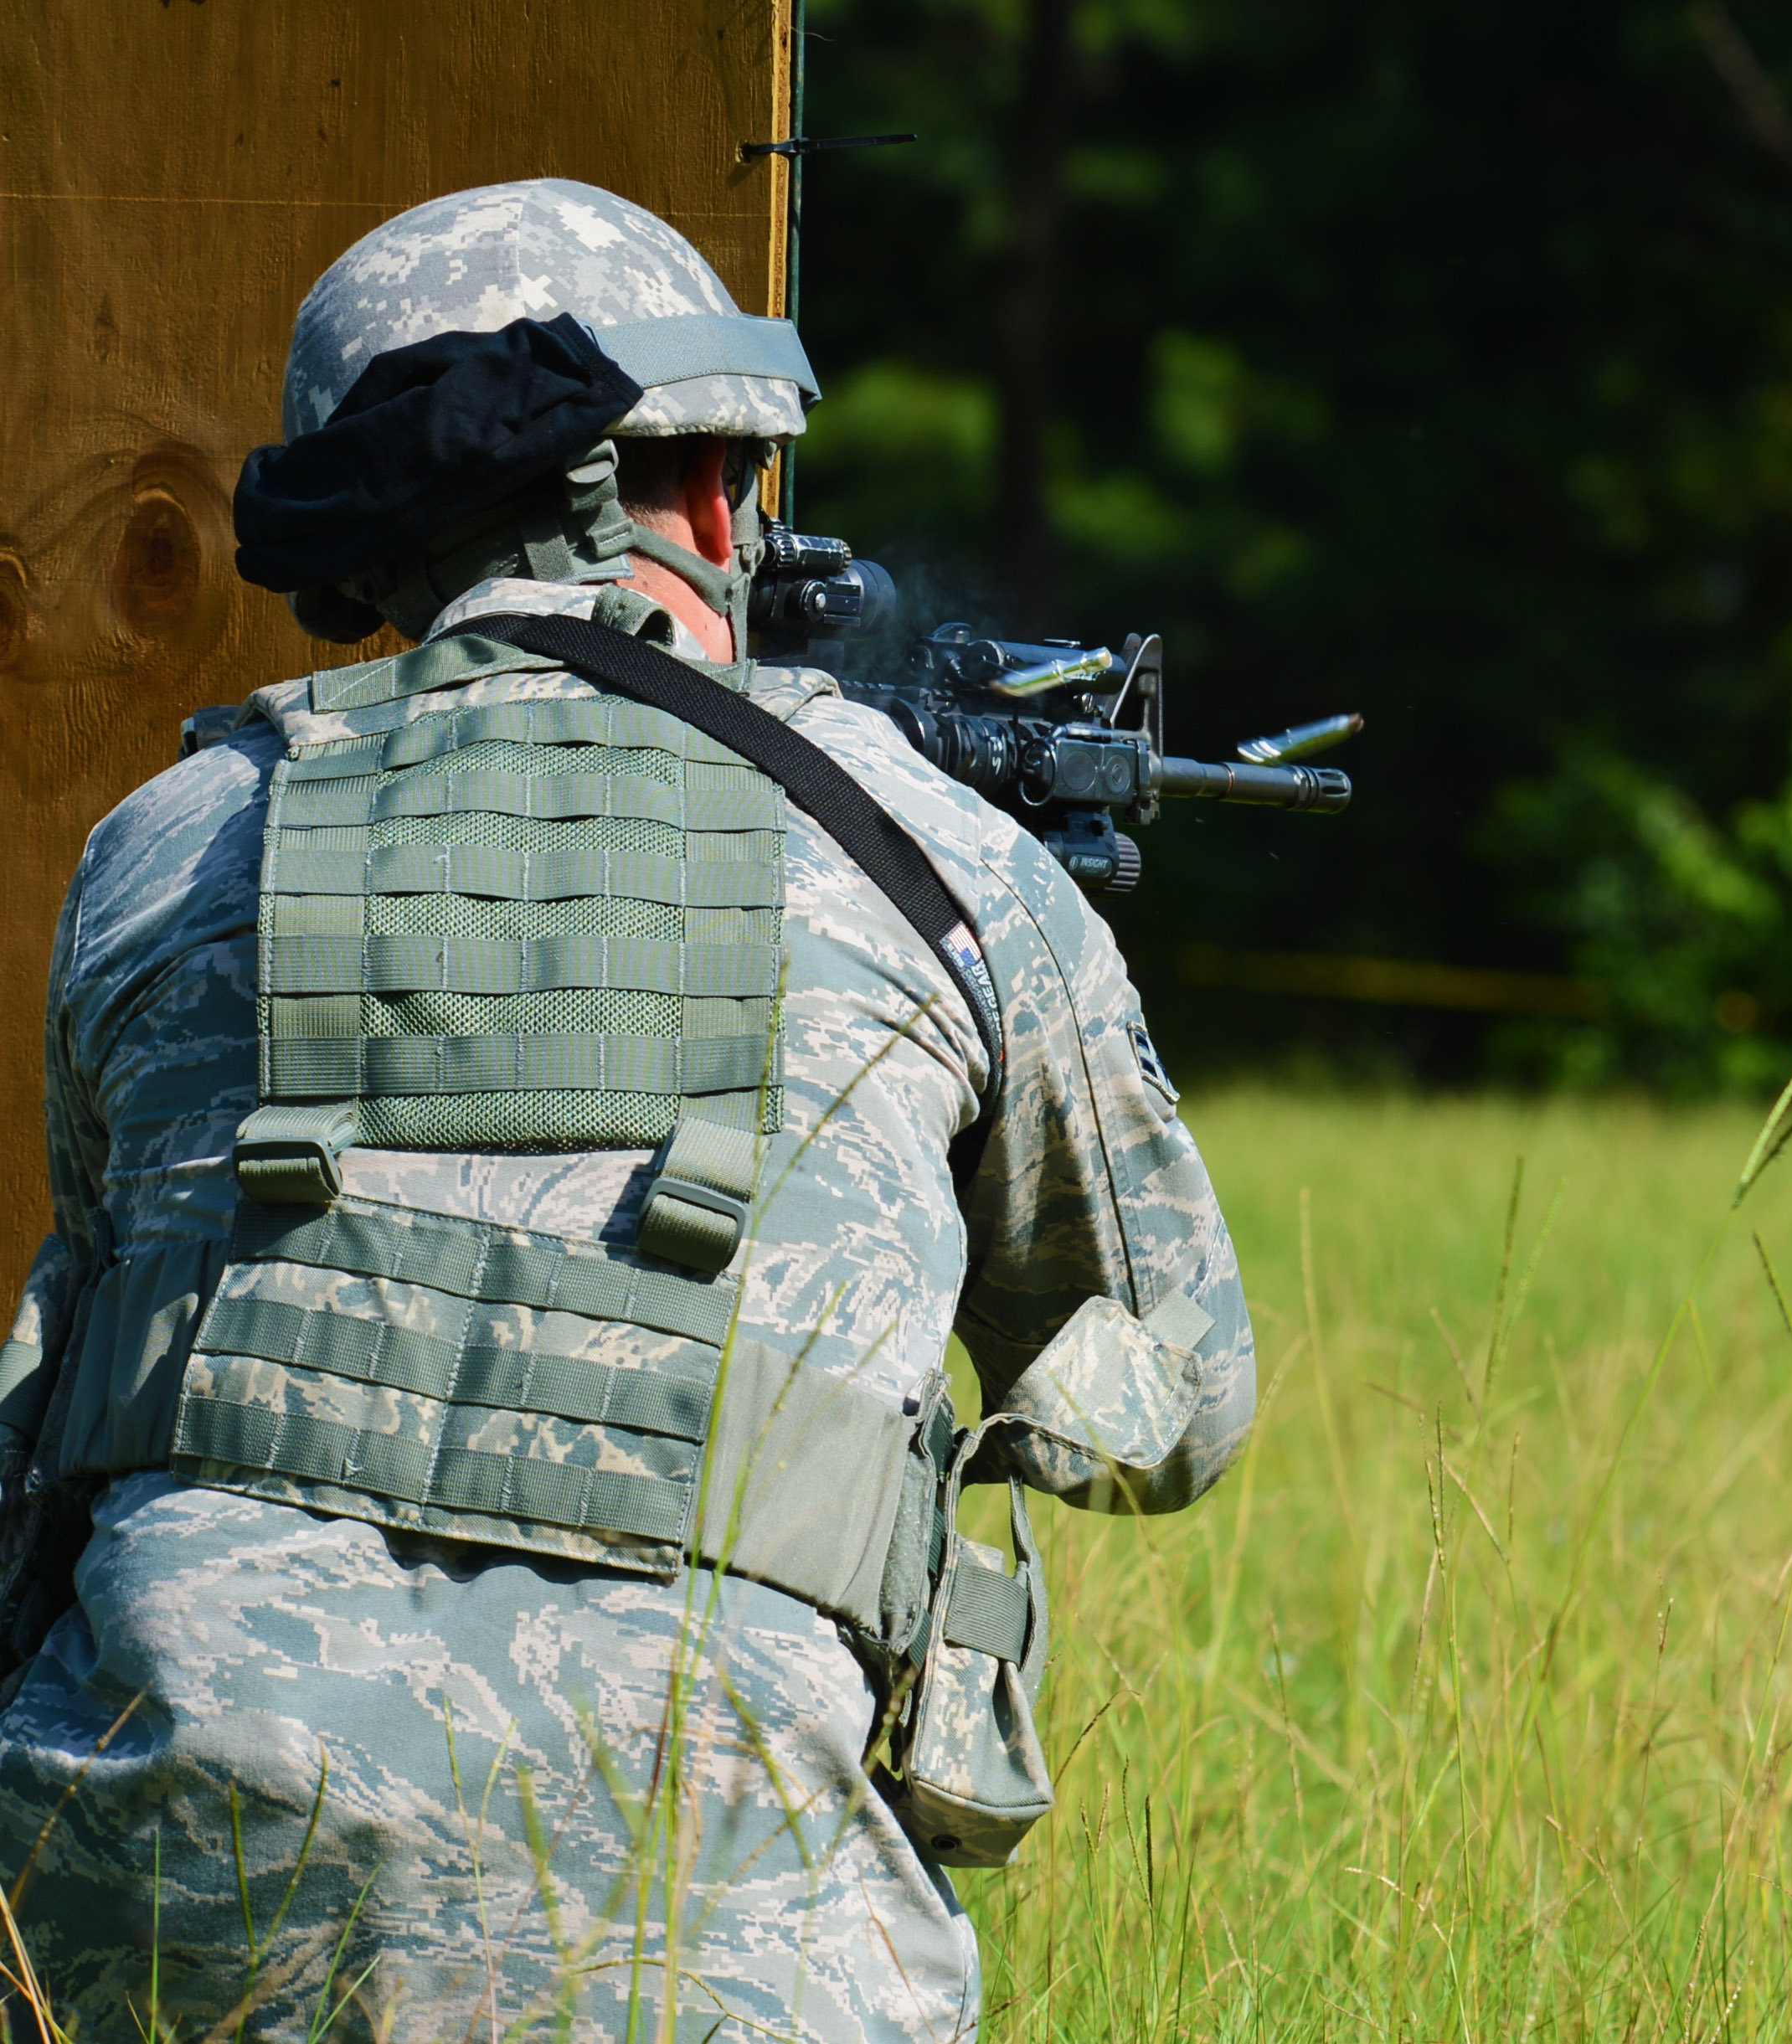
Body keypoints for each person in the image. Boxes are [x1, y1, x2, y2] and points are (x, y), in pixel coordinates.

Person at [0, 178, 1254, 2041]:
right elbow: (1182, 1403)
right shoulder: (937, 865)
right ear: (700, 488)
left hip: (145, 1905)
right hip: (719, 1940)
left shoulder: (159, 851)